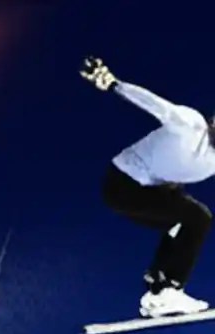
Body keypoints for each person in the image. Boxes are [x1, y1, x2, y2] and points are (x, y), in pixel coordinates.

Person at [82, 56, 215, 317]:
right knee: (198, 217)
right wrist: (113, 84)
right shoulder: (189, 124)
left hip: (146, 192)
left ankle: (157, 289)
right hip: (122, 185)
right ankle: (170, 292)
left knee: (181, 222)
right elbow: (155, 104)